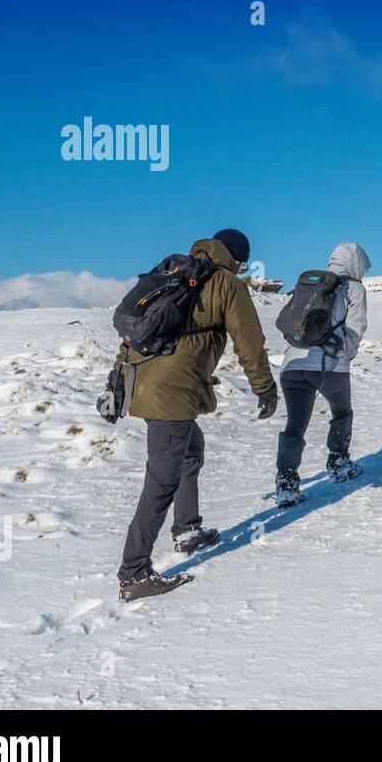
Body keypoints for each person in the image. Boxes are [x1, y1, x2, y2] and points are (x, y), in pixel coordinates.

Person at [110, 229, 279, 601]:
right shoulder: (225, 283)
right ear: (236, 259)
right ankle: (134, 572)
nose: (242, 267)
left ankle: (187, 530)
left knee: (190, 451)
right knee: (162, 479)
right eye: (243, 262)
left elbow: (133, 333)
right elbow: (249, 341)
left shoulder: (175, 270)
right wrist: (264, 388)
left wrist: (117, 381)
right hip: (172, 391)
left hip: (145, 380)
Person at [274, 242, 370, 508]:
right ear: (357, 263)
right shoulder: (355, 289)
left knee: (295, 425)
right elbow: (355, 328)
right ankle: (339, 463)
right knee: (342, 412)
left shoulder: (310, 285)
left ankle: (286, 484)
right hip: (330, 366)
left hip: (293, 365)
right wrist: (346, 356)